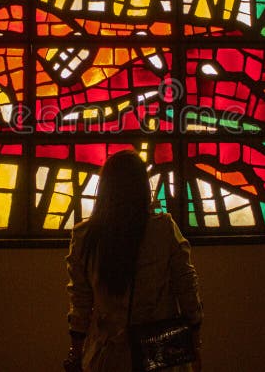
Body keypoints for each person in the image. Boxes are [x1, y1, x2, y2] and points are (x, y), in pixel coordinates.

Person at [64, 150, 203, 371]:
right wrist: (194, 337)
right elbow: (186, 286)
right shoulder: (164, 230)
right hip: (160, 353)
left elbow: (80, 303)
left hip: (107, 353)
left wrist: (76, 351)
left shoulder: (85, 236)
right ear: (142, 187)